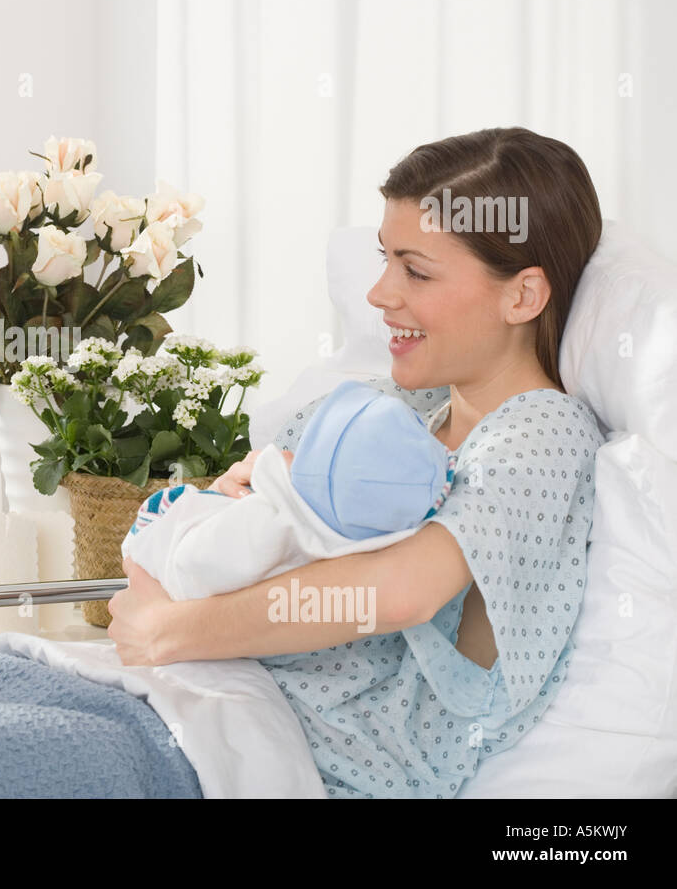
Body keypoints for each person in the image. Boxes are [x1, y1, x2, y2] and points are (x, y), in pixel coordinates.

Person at [107, 127, 606, 798]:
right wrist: (238, 511)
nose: (379, 295)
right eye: (385, 261)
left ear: (522, 297)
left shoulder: (544, 434)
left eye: (416, 270)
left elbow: (398, 592)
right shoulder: (389, 409)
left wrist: (174, 632)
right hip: (189, 704)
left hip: (277, 755)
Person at [121, 379, 458, 601]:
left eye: (304, 455)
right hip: (172, 543)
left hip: (165, 555)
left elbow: (190, 569)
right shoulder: (385, 535)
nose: (290, 451)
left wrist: (275, 480)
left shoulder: (269, 524)